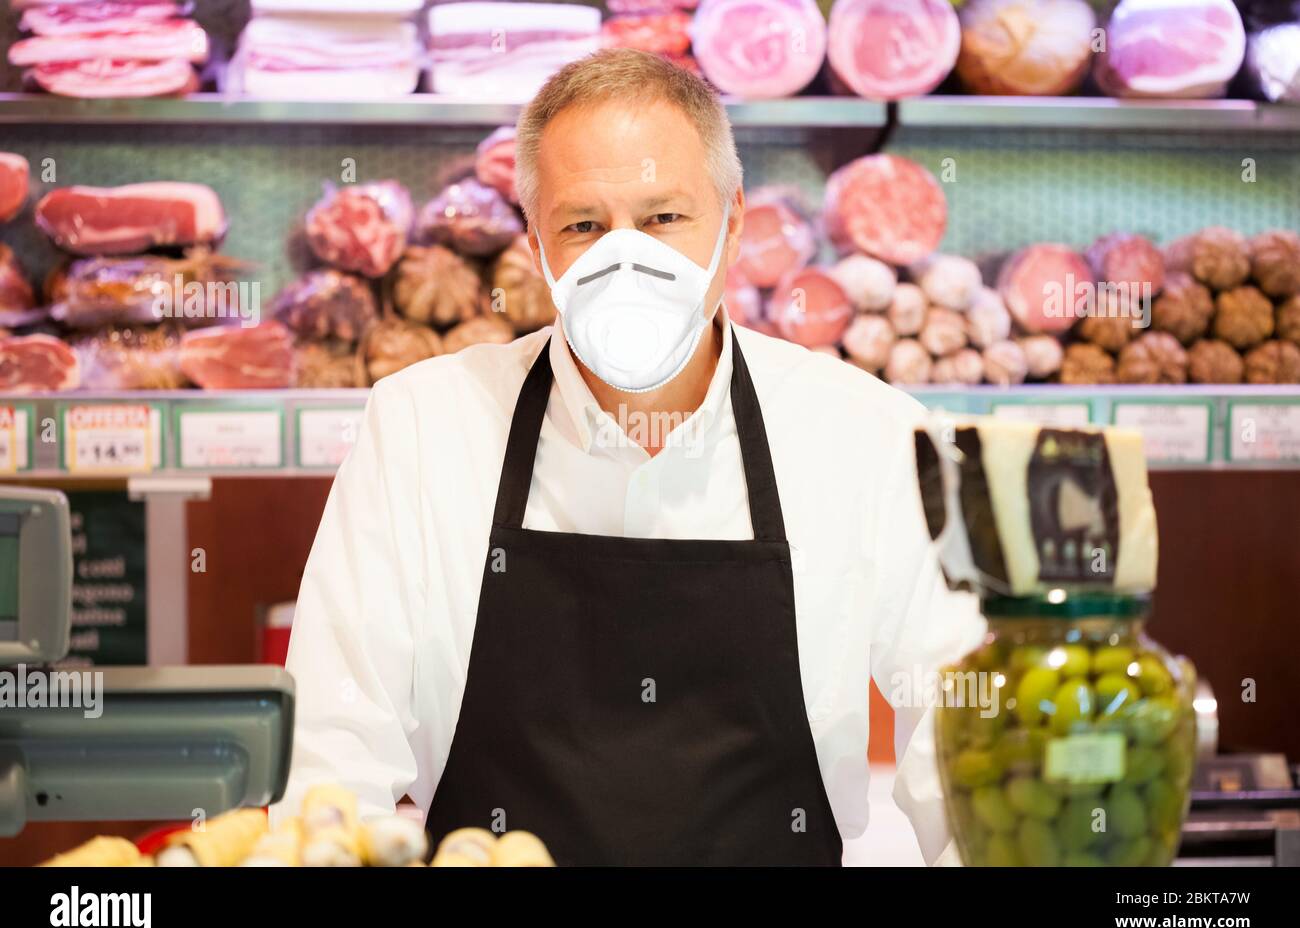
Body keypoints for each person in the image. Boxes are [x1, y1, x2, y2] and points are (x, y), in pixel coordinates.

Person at [274, 48, 983, 866]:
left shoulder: (869, 435)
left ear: (734, 221)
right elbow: (327, 773)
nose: (625, 259)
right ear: (536, 243)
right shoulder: (422, 428)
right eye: (583, 225)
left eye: (662, 218)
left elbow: (969, 751)